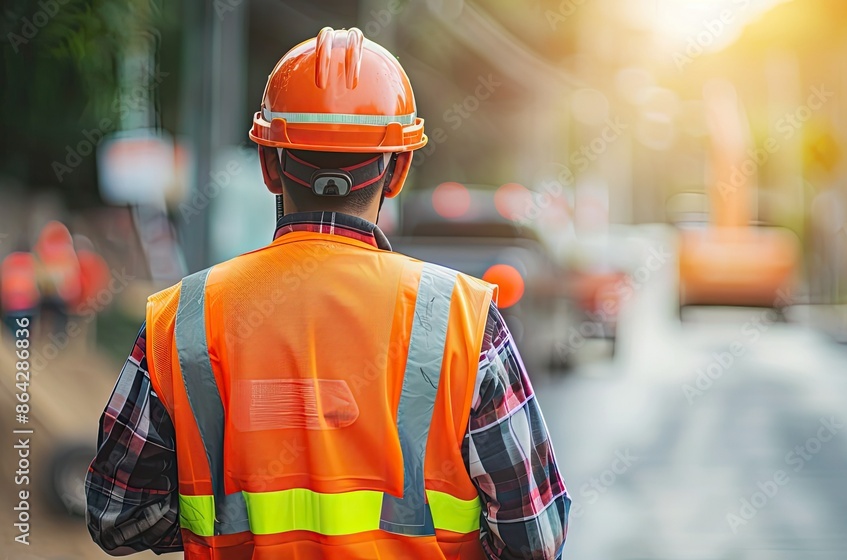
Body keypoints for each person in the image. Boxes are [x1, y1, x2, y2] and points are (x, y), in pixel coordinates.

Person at [85, 27, 570, 559]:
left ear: (270, 166)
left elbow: (116, 515)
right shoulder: (461, 319)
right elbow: (535, 539)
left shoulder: (183, 318)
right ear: (398, 170)